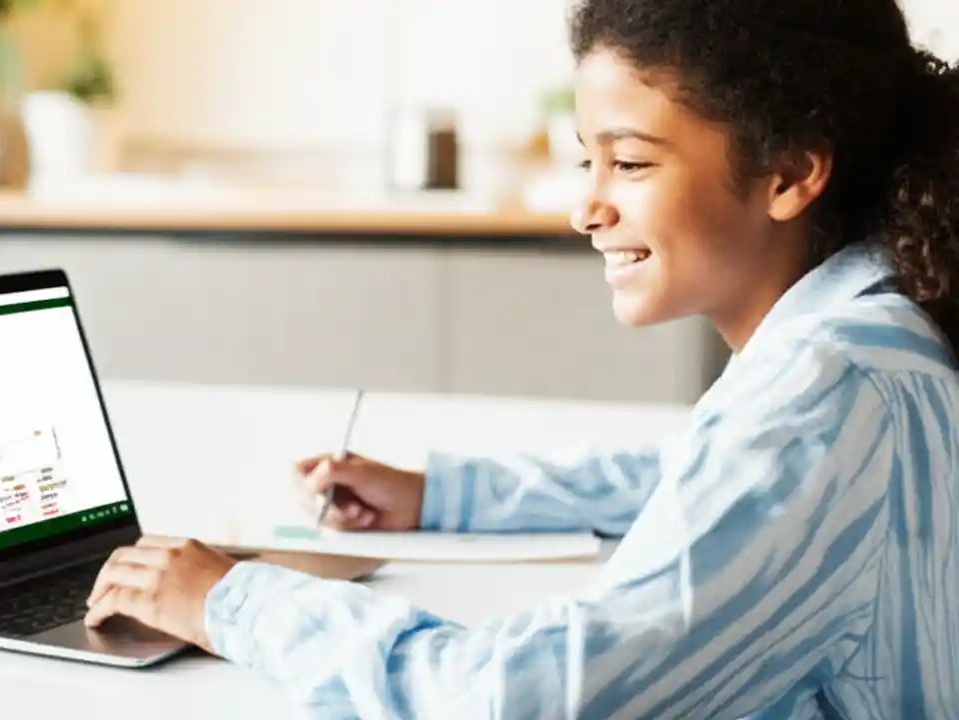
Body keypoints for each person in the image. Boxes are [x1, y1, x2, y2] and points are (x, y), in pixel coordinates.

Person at [81, 0, 959, 716]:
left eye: (630, 162)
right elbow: (692, 475)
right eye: (587, 159)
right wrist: (447, 494)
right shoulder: (867, 339)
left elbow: (531, 702)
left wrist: (232, 600)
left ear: (788, 173)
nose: (587, 207)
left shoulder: (827, 390)